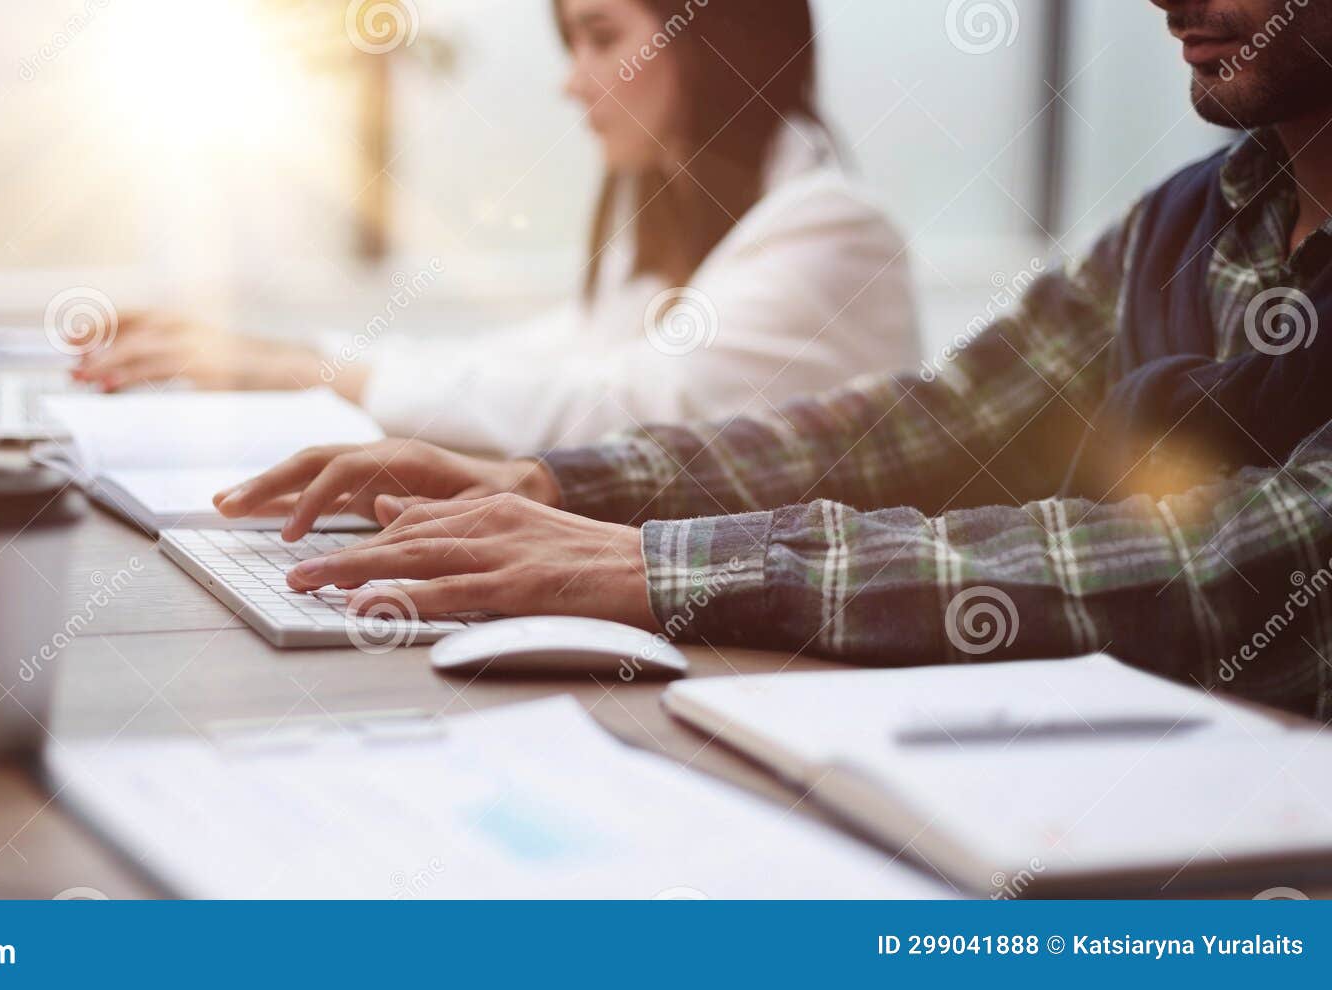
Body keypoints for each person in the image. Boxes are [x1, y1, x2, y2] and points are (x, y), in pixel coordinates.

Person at [211, 0, 1332, 719]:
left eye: (604, 37)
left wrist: (666, 565)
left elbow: (1235, 565)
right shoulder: (1185, 218)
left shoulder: (821, 223)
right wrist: (557, 485)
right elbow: (936, 420)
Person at [71, 0, 918, 453]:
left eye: (600, 37)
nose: (574, 82)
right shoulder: (674, 237)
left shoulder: (835, 237)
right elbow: (533, 361)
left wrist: (301, 370)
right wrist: (273, 356)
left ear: (718, 36)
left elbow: (622, 412)